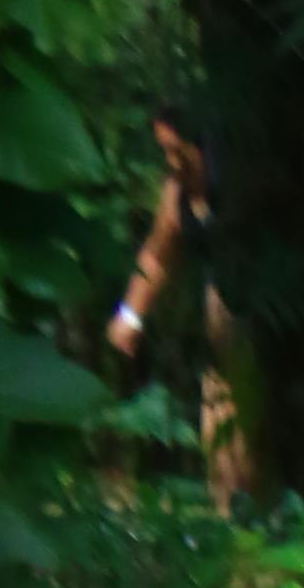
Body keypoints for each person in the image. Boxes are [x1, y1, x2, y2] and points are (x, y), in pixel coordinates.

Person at [105, 103, 252, 515]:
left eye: (178, 151)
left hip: (265, 315)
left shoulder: (242, 181)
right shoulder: (178, 192)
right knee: (219, 425)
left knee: (252, 426)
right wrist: (129, 316)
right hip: (221, 325)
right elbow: (157, 255)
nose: (172, 163)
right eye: (165, 153)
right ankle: (231, 526)